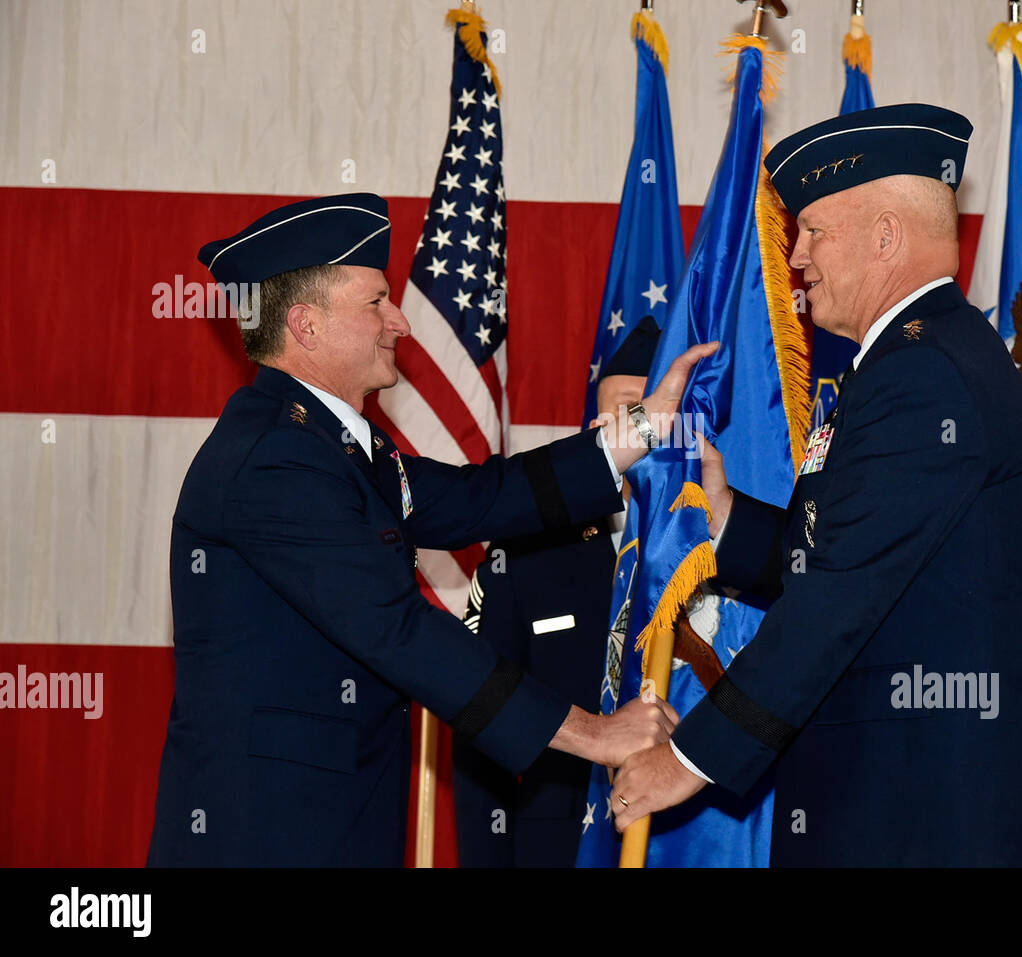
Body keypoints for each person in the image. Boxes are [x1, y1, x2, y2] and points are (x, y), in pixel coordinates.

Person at [147, 194, 713, 866]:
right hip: (270, 835)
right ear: (306, 325)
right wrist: (593, 734)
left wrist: (645, 424)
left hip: (333, 825)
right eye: (376, 302)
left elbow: (481, 497)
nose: (401, 321)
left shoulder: (339, 447)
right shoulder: (278, 458)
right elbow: (400, 631)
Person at [611, 105, 1022, 866]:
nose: (797, 257)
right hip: (894, 807)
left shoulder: (924, 372)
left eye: (815, 229)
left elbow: (836, 601)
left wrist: (689, 757)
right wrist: (726, 516)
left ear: (887, 235)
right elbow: (845, 556)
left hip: (918, 822)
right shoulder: (912, 360)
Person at [453, 317, 659, 867]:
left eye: (653, 411)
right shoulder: (528, 549)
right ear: (596, 425)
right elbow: (483, 724)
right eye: (623, 410)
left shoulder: (723, 548)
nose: (638, 428)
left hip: (696, 840)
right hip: (558, 844)